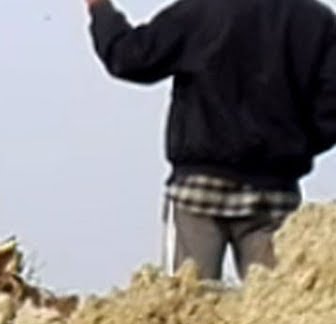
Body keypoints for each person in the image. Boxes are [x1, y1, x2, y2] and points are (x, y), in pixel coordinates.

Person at [86, 0, 336, 281]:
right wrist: (294, 145)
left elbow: (130, 57)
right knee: (278, 308)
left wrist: (100, 10)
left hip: (200, 187)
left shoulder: (201, 11)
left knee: (185, 306)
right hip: (274, 192)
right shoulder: (316, 21)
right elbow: (330, 109)